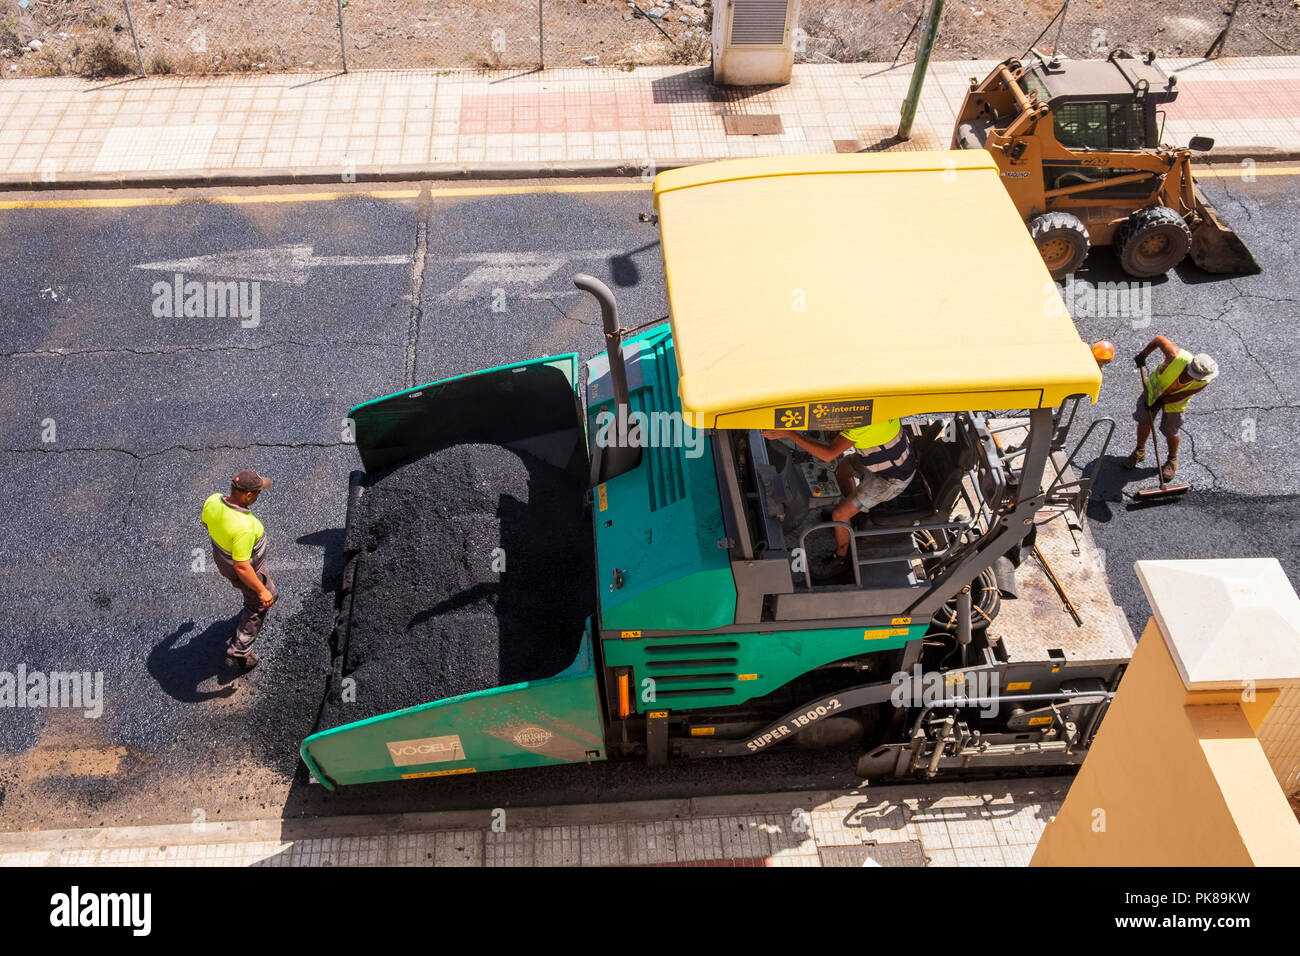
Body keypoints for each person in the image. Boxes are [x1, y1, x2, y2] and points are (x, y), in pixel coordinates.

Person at [763, 418, 917, 580]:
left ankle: (841, 558)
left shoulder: (861, 425)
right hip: (889, 458)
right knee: (844, 468)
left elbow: (829, 454)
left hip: (891, 478)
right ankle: (851, 518)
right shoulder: (876, 411)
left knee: (839, 515)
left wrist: (791, 435)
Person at [201, 469, 276, 670]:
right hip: (244, 571)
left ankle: (260, 596)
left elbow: (206, 524)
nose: (259, 496)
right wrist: (261, 591)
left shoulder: (213, 500)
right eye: (258, 493)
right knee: (258, 604)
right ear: (248, 495)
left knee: (266, 592)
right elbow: (242, 567)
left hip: (222, 559)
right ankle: (239, 653)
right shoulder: (245, 527)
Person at [1124, 336, 1218, 481]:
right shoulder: (1175, 356)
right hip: (1154, 389)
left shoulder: (1204, 380)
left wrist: (1160, 402)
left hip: (1176, 402)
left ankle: (1172, 460)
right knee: (1144, 420)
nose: (1196, 379)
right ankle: (1139, 451)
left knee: (1171, 430)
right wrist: (1143, 355)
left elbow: (1183, 393)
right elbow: (1159, 339)